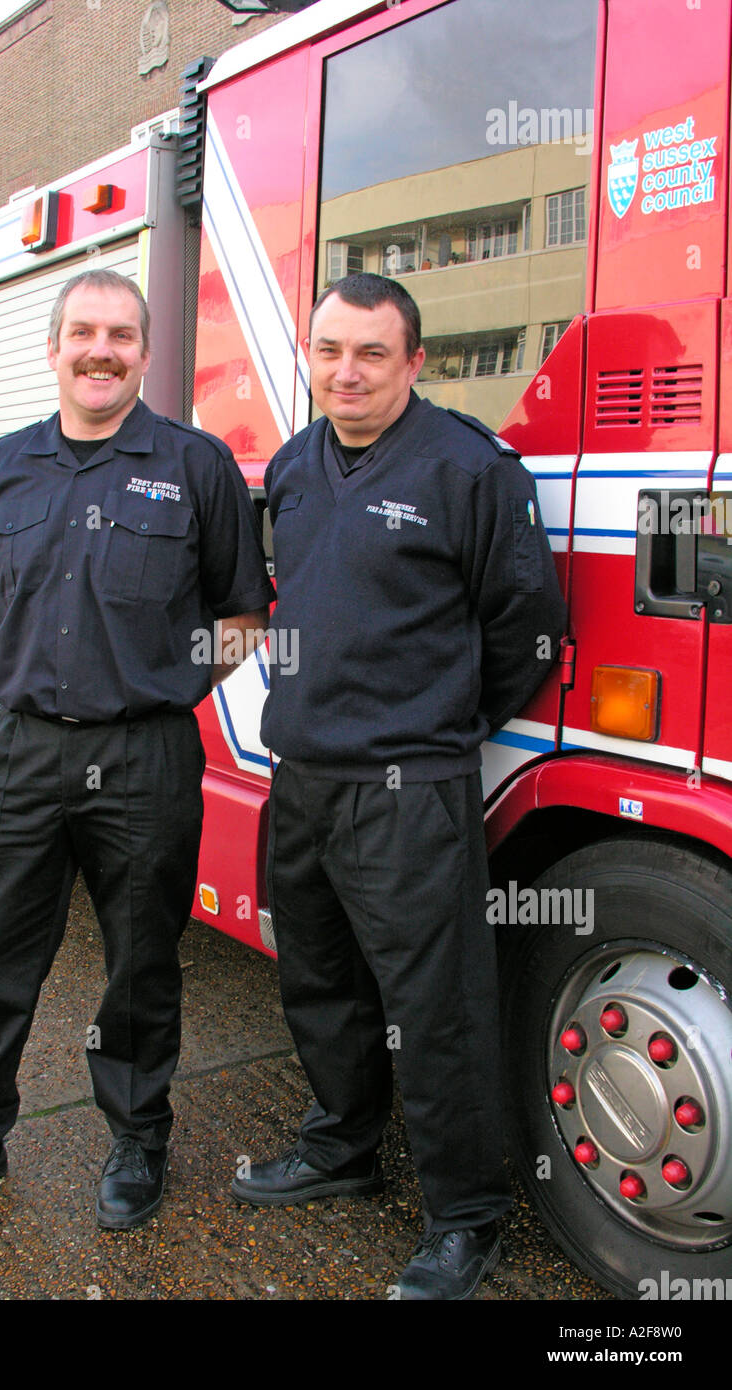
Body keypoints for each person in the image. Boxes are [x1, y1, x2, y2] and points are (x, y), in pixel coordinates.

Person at [0, 268, 274, 1229]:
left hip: (146, 760)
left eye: (122, 335)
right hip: (23, 755)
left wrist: (158, 689)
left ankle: (139, 1142)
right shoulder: (2, 465)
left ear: (144, 352)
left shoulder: (197, 465)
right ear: (52, 348)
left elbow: (244, 617)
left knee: (141, 962)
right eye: (83, 332)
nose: (102, 350)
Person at [232, 272, 566, 1299]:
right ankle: (340, 1146)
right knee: (320, 980)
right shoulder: (291, 467)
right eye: (329, 350)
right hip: (304, 779)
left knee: (436, 1009)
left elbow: (528, 633)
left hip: (407, 789)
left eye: (370, 353)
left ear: (413, 361)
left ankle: (465, 1216)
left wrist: (440, 729)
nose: (346, 372)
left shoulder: (468, 469)